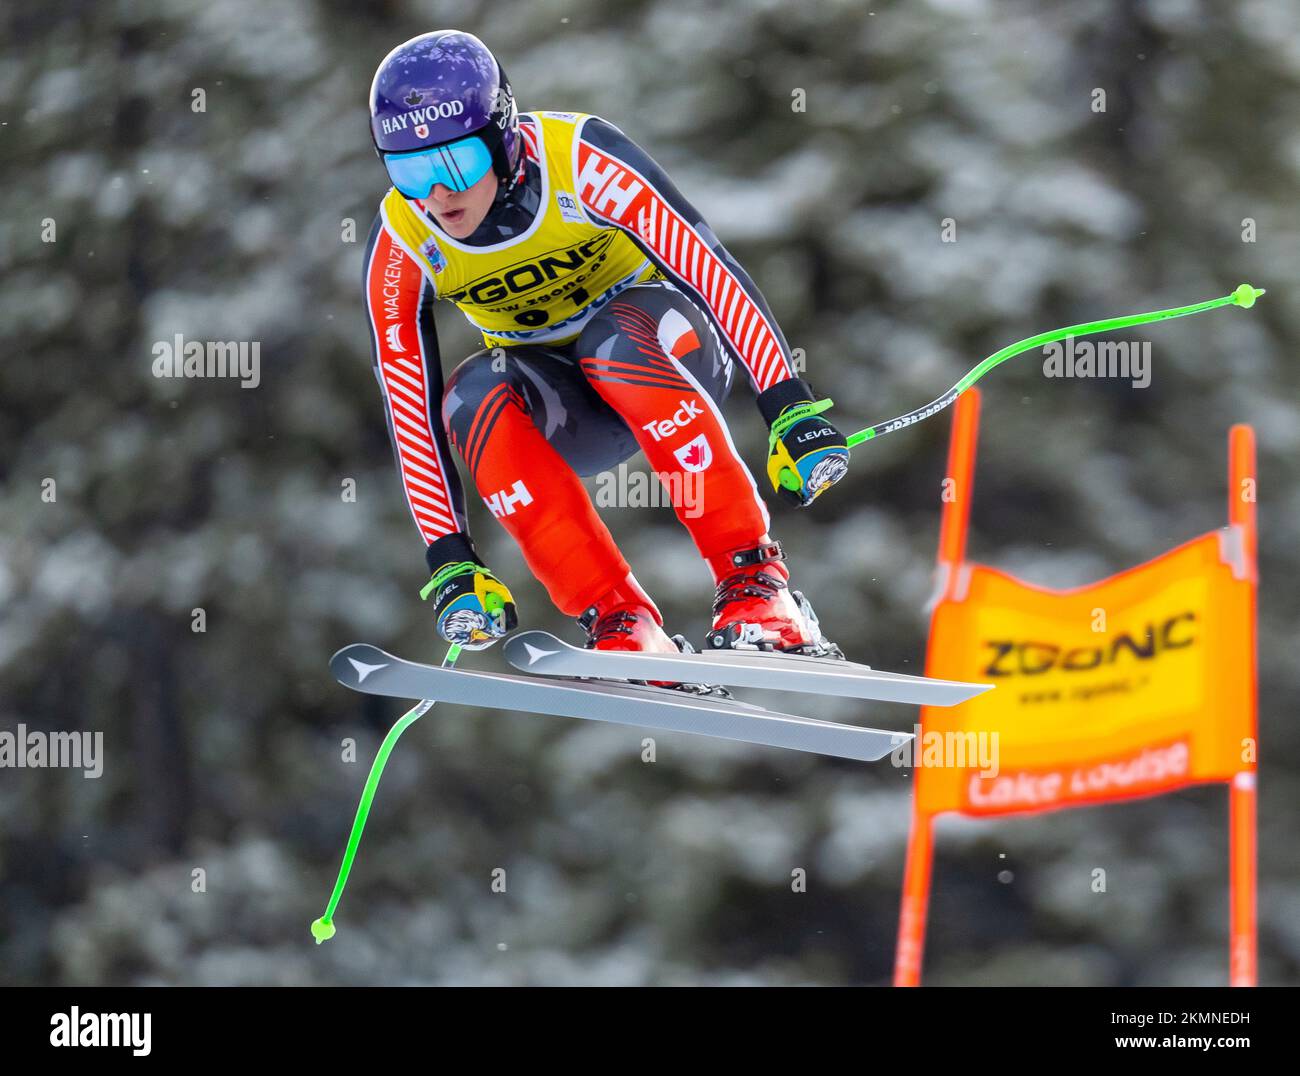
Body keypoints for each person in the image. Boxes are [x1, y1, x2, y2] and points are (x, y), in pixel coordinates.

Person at [362, 29, 850, 661]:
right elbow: (409, 402)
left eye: (456, 164)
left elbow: (709, 268)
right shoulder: (402, 239)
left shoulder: (581, 161)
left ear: (503, 138)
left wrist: (788, 404)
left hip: (673, 352)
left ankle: (755, 582)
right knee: (469, 395)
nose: (436, 194)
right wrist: (450, 557)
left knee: (611, 340)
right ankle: (620, 622)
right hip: (570, 410)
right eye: (408, 169)